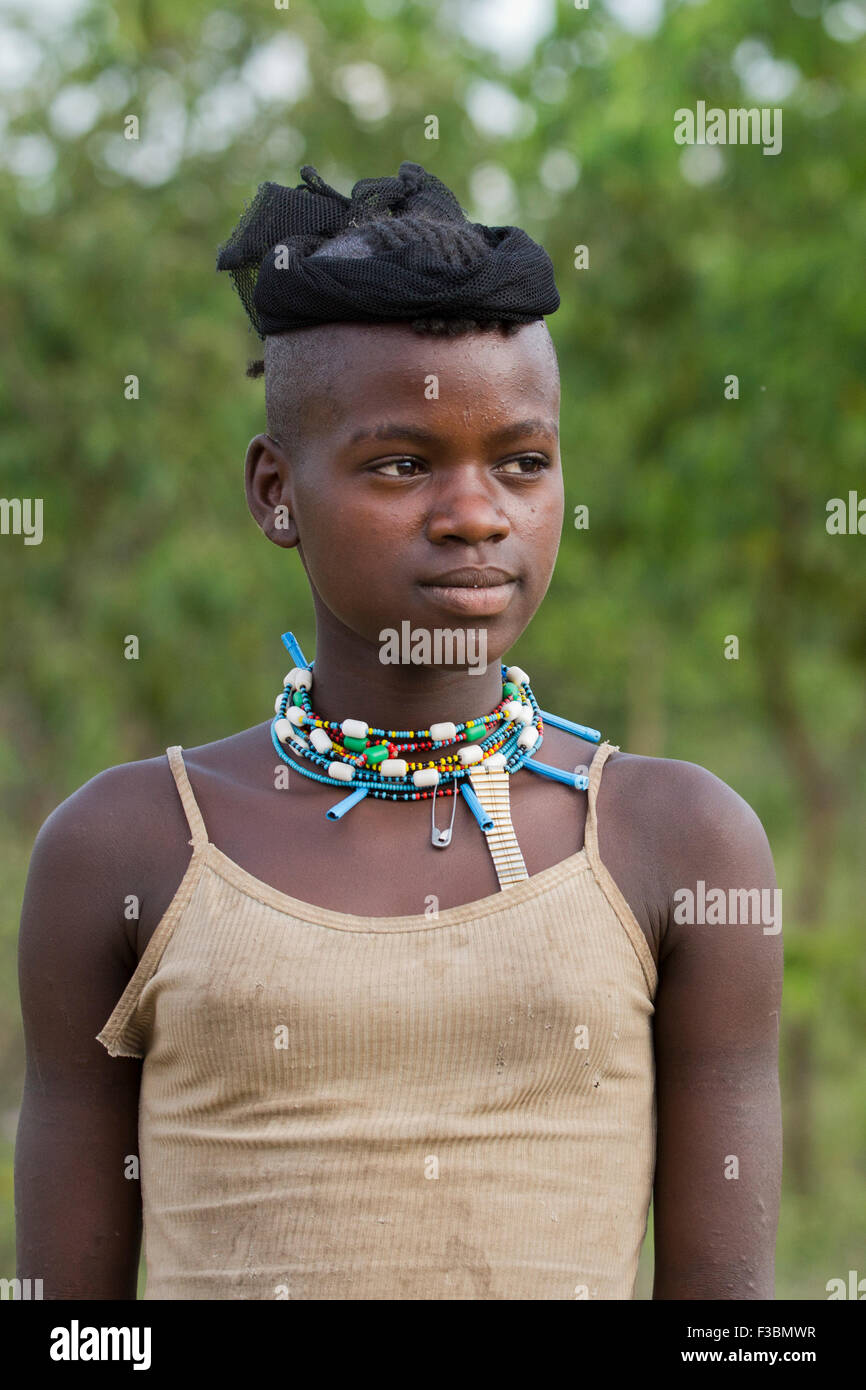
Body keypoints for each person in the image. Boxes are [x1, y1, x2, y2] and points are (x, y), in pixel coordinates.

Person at [15, 162, 782, 1300]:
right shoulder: (127, 850)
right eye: (402, 464)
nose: (476, 515)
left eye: (521, 461)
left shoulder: (677, 844)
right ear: (276, 490)